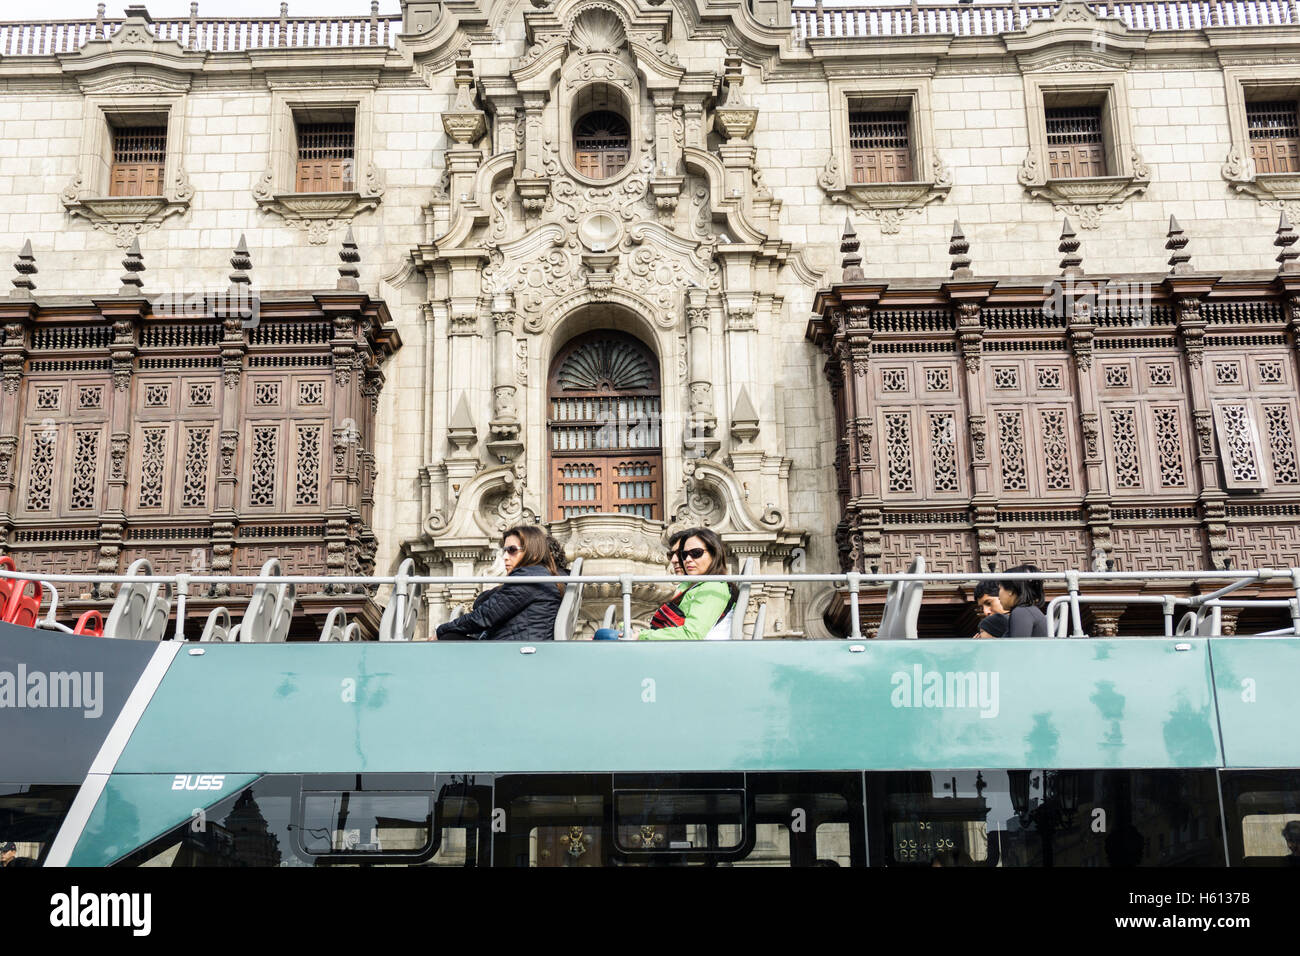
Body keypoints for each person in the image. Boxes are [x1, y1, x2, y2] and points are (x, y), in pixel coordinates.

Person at [435, 525, 564, 642]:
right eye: (505, 550)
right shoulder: (538, 576)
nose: (505, 557)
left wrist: (441, 631)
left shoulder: (528, 578)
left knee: (448, 639)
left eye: (512, 550)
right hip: (518, 647)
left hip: (514, 652)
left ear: (533, 553)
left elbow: (484, 617)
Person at [632, 527, 737, 641]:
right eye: (684, 554)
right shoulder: (697, 585)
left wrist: (642, 636)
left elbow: (691, 634)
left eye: (696, 553)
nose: (687, 559)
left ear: (714, 554)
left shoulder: (713, 586)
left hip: (696, 653)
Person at [997, 564, 1049, 637]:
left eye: (1000, 588)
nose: (998, 597)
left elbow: (1018, 647)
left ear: (1011, 590)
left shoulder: (1021, 612)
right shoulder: (1026, 611)